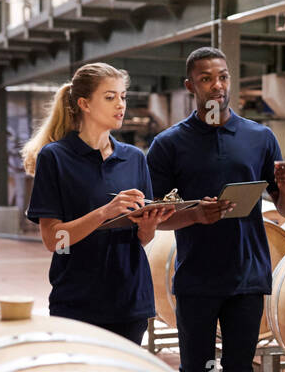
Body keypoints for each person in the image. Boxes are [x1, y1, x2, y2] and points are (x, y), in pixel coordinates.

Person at [148, 46, 285, 372]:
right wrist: (195, 215)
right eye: (205, 79)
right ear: (189, 86)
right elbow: (158, 216)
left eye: (222, 77)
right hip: (197, 278)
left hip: (247, 277)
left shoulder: (259, 137)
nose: (217, 86)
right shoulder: (168, 145)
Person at [22, 62, 175, 343]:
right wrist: (106, 212)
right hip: (77, 301)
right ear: (85, 104)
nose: (121, 104)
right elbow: (55, 240)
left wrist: (148, 226)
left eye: (123, 97)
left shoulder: (134, 158)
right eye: (110, 97)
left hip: (131, 300)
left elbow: (140, 240)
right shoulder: (55, 158)